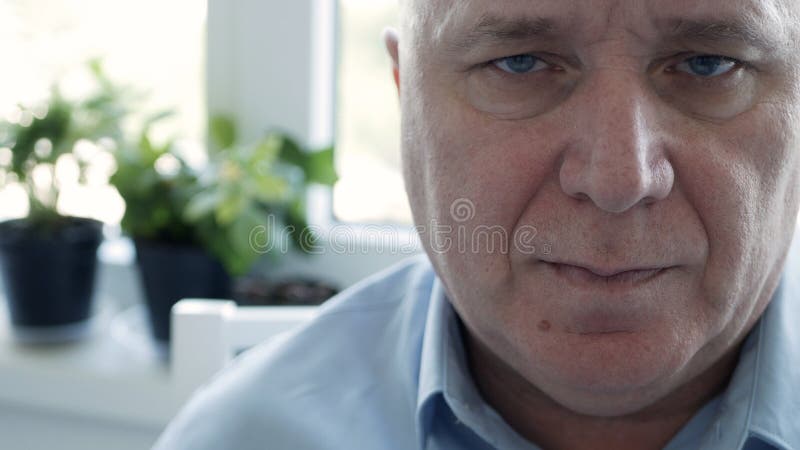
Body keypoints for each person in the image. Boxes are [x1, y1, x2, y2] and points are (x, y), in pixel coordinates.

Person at [153, 0, 800, 448]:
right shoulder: (246, 439)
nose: (617, 180)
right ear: (405, 90)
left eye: (709, 64)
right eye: (520, 62)